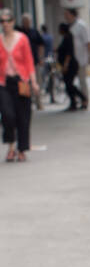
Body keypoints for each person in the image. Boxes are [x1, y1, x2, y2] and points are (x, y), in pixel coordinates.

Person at [0, 8, 37, 160]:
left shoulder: (22, 39)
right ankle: (11, 146)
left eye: (8, 20)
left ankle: (21, 149)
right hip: (3, 82)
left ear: (13, 22)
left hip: (21, 81)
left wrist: (34, 82)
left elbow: (29, 61)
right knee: (8, 115)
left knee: (23, 115)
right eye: (2, 21)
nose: (5, 24)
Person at [64, 8, 90, 107]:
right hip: (71, 59)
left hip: (80, 58)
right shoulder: (68, 26)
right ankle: (75, 100)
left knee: (82, 80)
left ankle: (85, 100)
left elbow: (87, 42)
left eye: (67, 14)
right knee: (70, 82)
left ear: (72, 15)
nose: (65, 16)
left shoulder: (81, 26)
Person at [56, 21, 85, 111]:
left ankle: (82, 98)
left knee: (69, 84)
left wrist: (65, 64)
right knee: (68, 84)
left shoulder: (68, 37)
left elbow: (69, 53)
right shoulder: (66, 37)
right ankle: (74, 102)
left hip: (70, 65)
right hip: (68, 65)